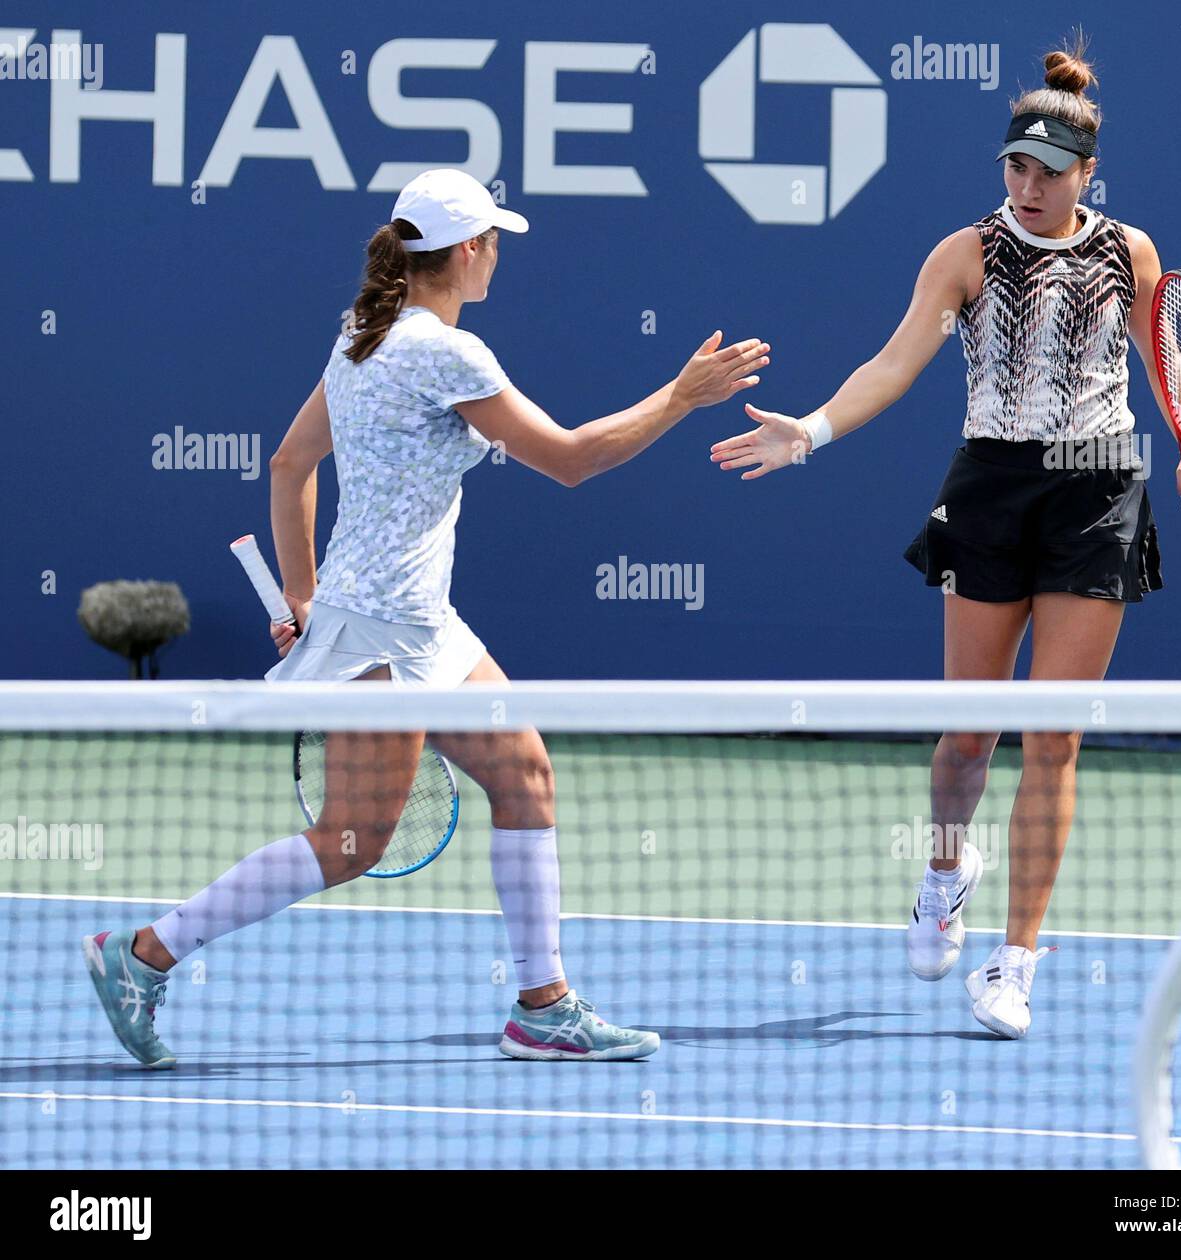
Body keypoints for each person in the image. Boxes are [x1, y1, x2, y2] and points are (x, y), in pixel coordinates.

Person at [85, 167, 770, 1066]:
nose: (501, 258)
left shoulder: (363, 338)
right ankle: (143, 954)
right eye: (496, 242)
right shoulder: (444, 353)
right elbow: (570, 461)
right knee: (350, 842)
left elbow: (289, 466)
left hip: (417, 622)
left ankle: (543, 1005)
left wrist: (303, 597)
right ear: (471, 251)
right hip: (381, 631)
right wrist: (681, 397)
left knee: (524, 772)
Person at [709, 35, 1181, 1038]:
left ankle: (1016, 958)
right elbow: (894, 364)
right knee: (964, 740)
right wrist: (807, 430)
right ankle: (945, 871)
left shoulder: (1132, 253)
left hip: (1097, 491)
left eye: (1048, 171)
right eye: (1015, 167)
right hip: (990, 489)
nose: (1028, 185)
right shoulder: (967, 253)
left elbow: (1169, 369)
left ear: (1087, 175)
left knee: (1053, 738)